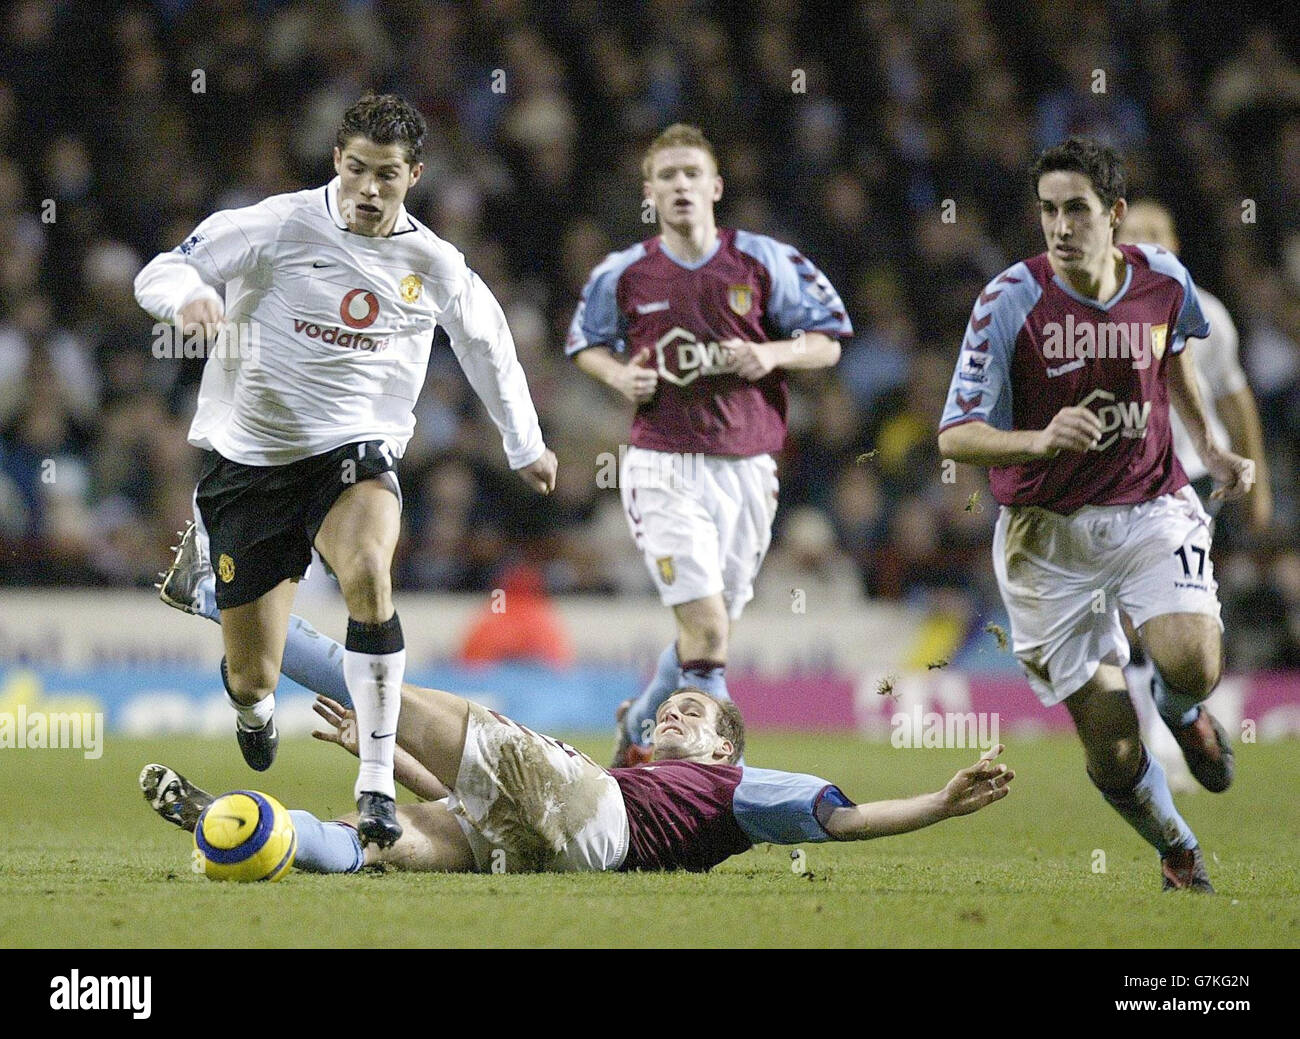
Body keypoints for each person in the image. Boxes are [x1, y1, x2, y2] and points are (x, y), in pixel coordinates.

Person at [134, 93, 557, 848]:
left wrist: (524, 445)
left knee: (369, 569)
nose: (368, 188)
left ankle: (373, 786)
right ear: (336, 160)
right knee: (253, 675)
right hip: (254, 464)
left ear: (415, 174)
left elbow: (488, 342)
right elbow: (163, 270)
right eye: (356, 168)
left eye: (387, 175)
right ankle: (242, 679)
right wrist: (191, 299)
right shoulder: (276, 224)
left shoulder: (432, 261)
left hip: (355, 451)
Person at [936, 137, 1255, 892]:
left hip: (1149, 505)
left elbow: (1172, 356)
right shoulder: (1009, 299)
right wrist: (1039, 437)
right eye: (1047, 210)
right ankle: (1177, 847)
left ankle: (1183, 712)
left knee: (1194, 662)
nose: (1059, 225)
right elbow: (955, 432)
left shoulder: (1164, 281)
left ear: (1114, 215)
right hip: (1046, 539)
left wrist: (1212, 443)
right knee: (1111, 749)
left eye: (1076, 209)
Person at [565, 124, 852, 766]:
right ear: (650, 193)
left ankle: (638, 726)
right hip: (663, 464)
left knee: (709, 626)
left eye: (692, 173)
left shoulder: (763, 260)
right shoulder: (626, 272)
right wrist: (620, 376)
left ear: (715, 186)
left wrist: (769, 352)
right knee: (709, 630)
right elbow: (584, 343)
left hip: (748, 466)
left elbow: (829, 339)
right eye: (666, 176)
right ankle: (708, 781)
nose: (680, 185)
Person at [141, 685, 1014, 876]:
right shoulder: (635, 771)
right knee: (381, 829)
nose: (673, 716)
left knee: (478, 720)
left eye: (693, 714)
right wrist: (373, 756)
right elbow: (464, 793)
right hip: (556, 855)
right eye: (667, 708)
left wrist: (940, 801)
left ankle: (279, 632)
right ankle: (241, 827)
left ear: (722, 748)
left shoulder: (740, 785)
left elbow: (845, 820)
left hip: (610, 831)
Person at [1115, 200, 1273, 792]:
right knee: (1133, 622)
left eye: (1158, 233)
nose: (1147, 242)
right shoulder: (1095, 315)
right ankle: (1166, 735)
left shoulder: (1207, 313)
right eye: (1135, 234)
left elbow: (1236, 398)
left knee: (1180, 620)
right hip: (1122, 483)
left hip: (1193, 482)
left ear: (1176, 241)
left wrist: (1261, 480)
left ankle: (1174, 722)